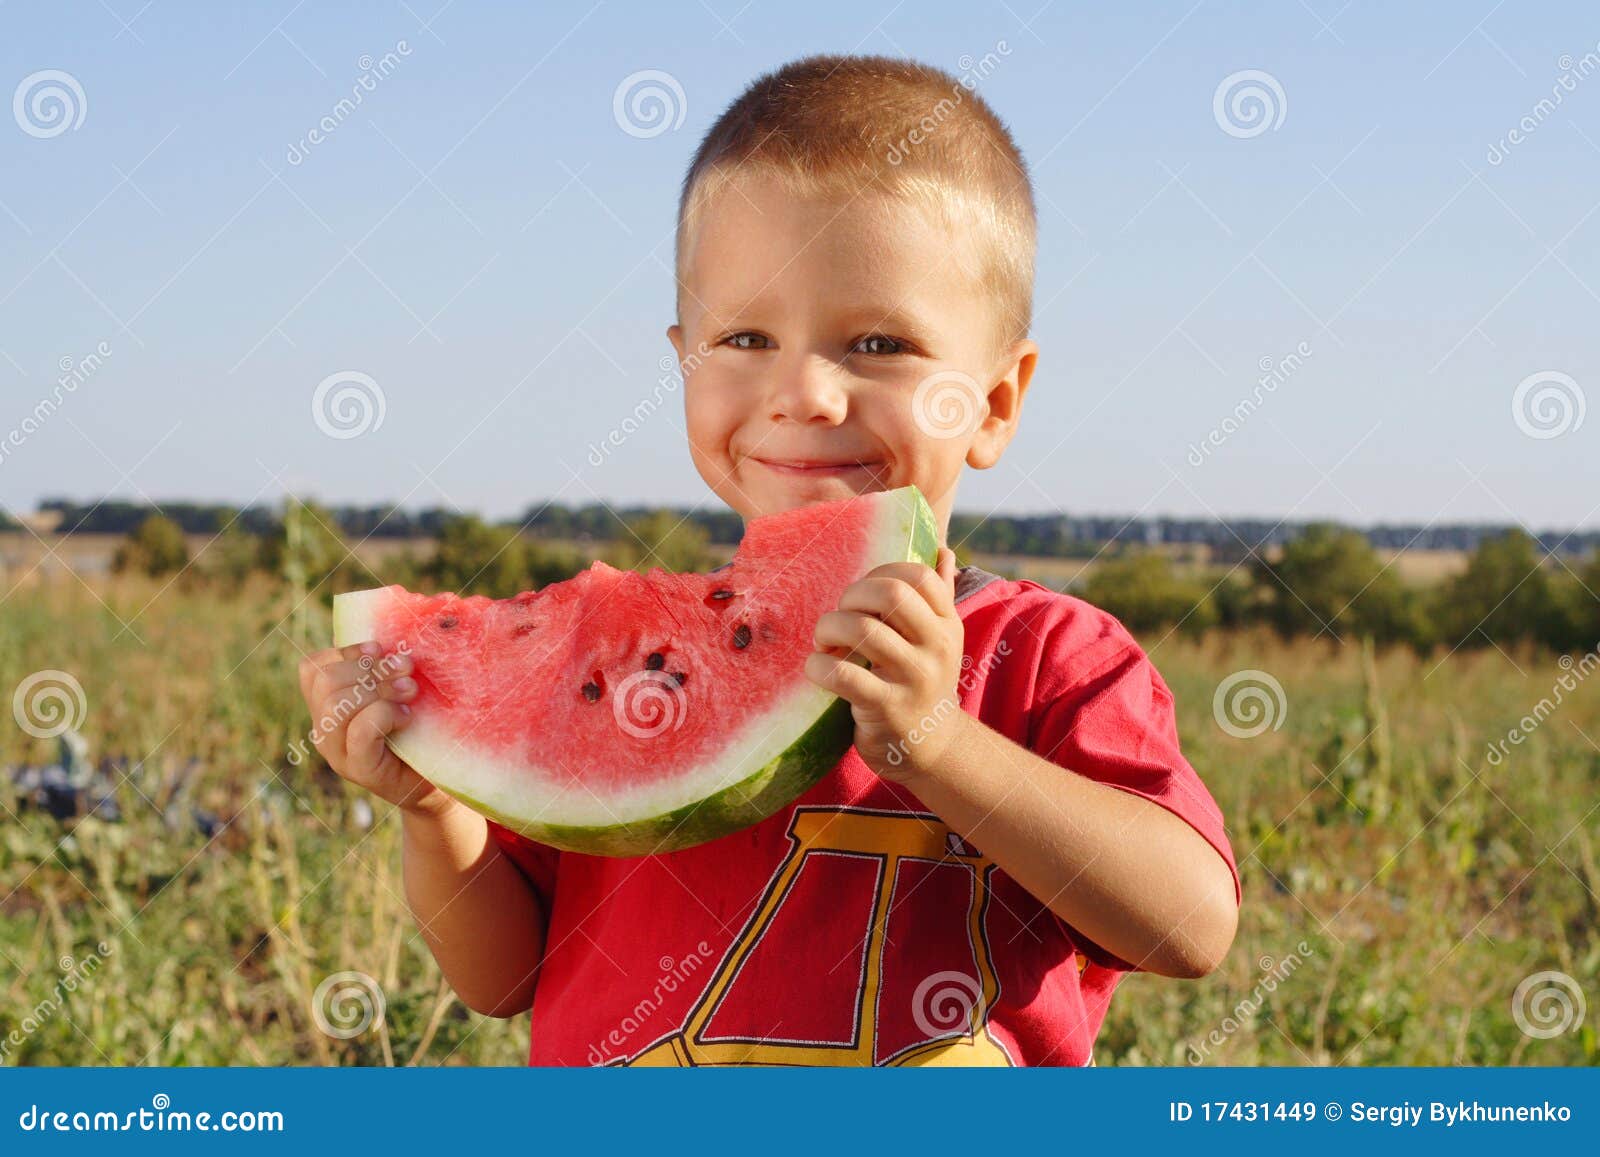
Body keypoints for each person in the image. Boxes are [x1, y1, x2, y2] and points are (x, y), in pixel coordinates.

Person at [297, 53, 1239, 1066]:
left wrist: (942, 743)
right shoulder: (628, 677)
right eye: (745, 336)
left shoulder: (1045, 654)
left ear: (995, 402)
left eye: (878, 344)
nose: (804, 394)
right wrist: (434, 805)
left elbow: (1187, 925)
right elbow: (501, 979)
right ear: (683, 362)